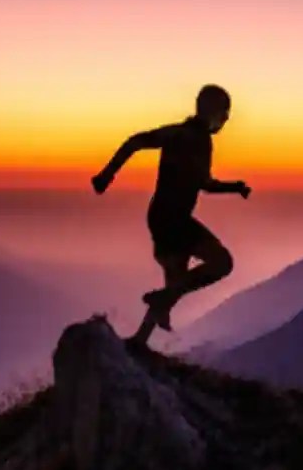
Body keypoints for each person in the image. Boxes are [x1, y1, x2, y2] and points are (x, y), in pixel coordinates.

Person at [91, 84, 251, 347]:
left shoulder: (176, 133)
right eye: (224, 114)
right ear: (213, 112)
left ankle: (141, 338)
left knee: (175, 280)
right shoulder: (199, 140)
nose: (225, 120)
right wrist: (235, 187)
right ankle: (161, 302)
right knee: (222, 263)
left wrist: (107, 174)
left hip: (159, 217)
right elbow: (204, 183)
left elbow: (135, 141)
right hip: (175, 219)